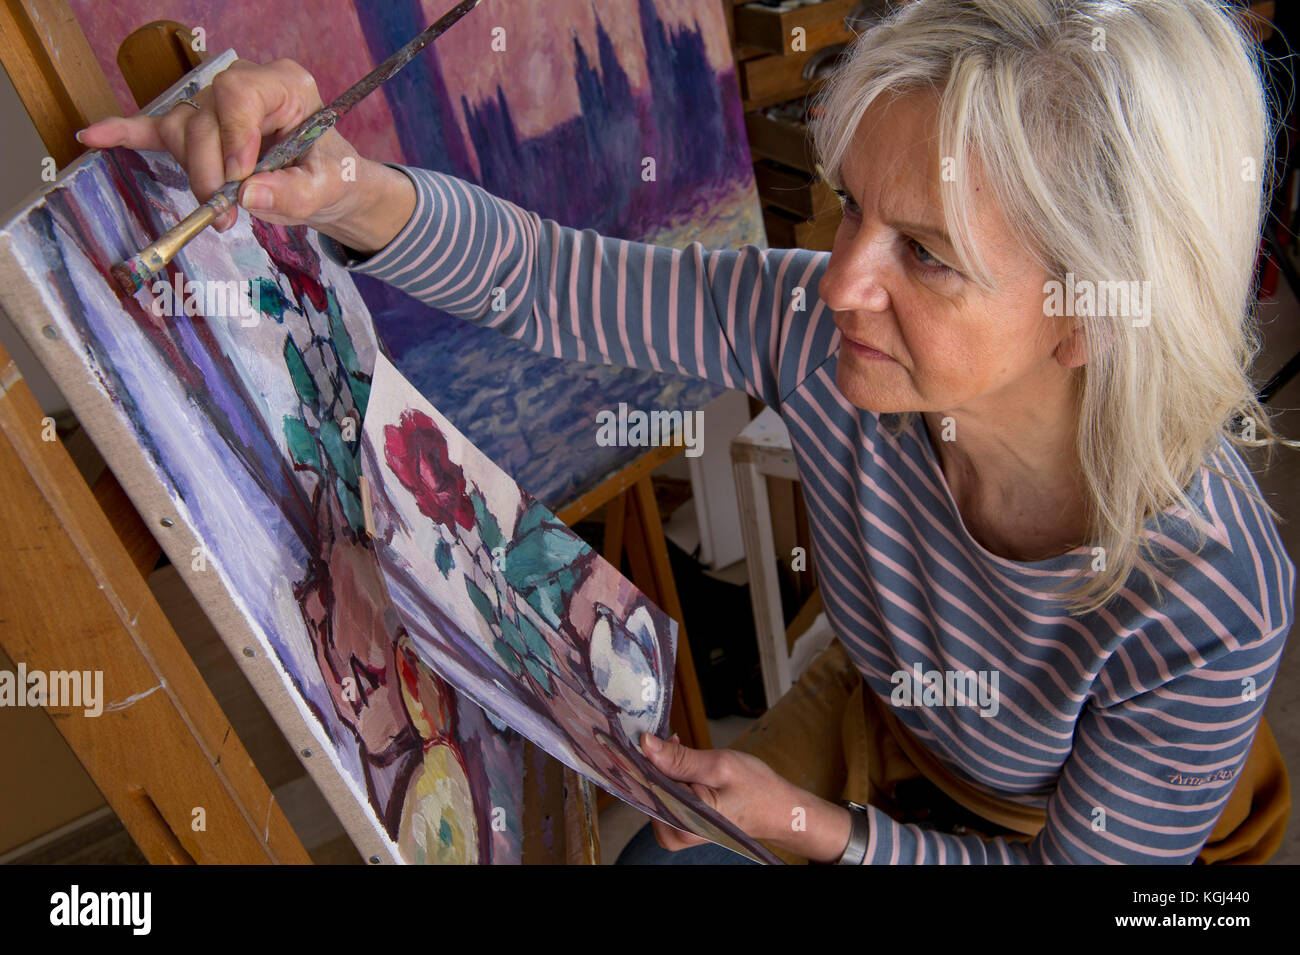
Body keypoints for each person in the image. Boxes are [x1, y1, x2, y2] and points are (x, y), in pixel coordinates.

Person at [80, 0, 1297, 864]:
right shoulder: (820, 335)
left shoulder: (1213, 596)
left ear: (1093, 317)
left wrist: (813, 831)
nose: (836, 281)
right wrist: (343, 187)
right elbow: (545, 279)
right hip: (882, 714)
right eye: (851, 210)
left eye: (922, 255)